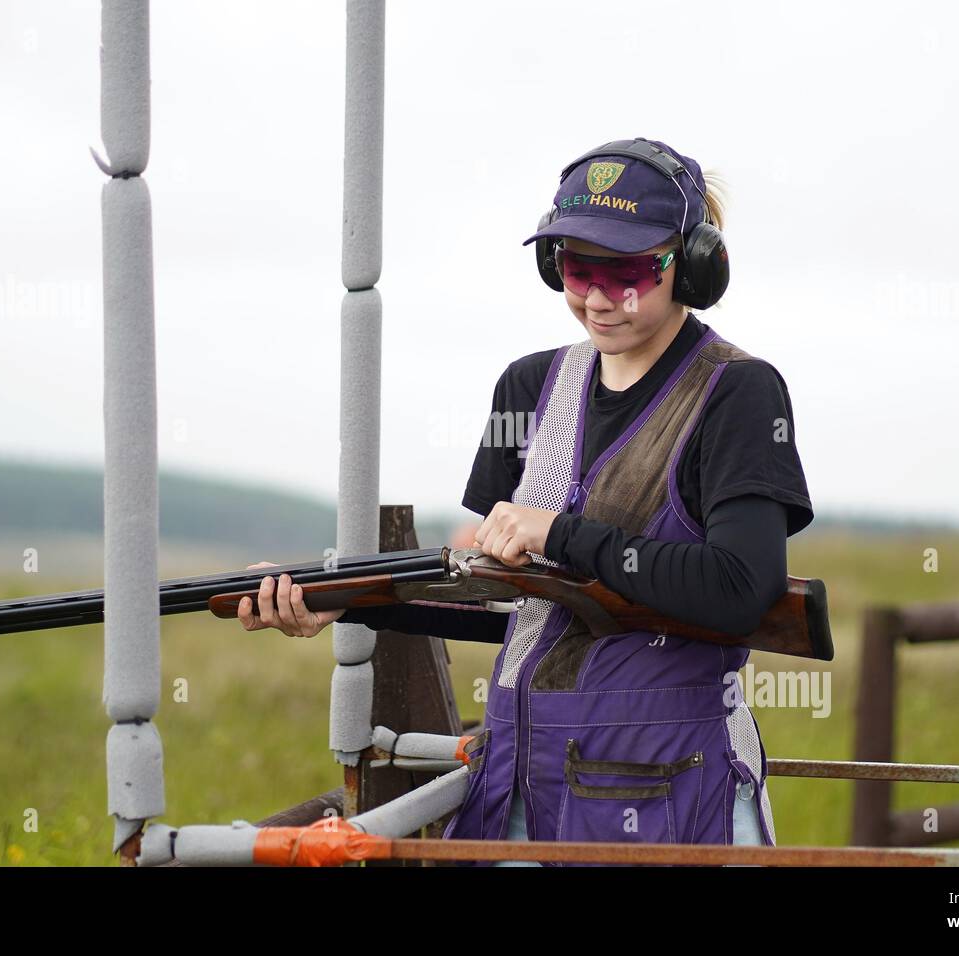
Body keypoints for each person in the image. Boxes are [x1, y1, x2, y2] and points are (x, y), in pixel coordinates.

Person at [238, 137, 813, 867]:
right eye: (578, 267)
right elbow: (511, 602)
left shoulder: (738, 392)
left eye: (628, 271)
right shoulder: (528, 387)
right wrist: (343, 601)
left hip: (670, 787)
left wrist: (560, 534)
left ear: (693, 265)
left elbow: (739, 590)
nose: (598, 297)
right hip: (519, 784)